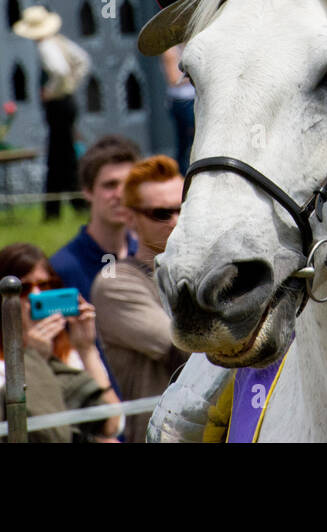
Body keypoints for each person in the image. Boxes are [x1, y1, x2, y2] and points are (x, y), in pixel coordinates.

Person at [0, 244, 121, 442]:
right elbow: (19, 430)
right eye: (23, 289)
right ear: (0, 300)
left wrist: (86, 349)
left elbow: (113, 425)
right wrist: (33, 356)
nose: (35, 295)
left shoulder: (71, 355)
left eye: (44, 285)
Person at [92, 155, 190, 442]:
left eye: (184, 209)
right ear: (130, 217)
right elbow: (183, 349)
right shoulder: (115, 284)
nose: (176, 221)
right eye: (161, 213)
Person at [13, 5, 91, 221]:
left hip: (58, 106)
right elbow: (83, 61)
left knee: (58, 157)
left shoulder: (46, 46)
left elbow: (59, 70)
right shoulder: (60, 41)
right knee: (64, 156)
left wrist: (53, 90)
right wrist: (71, 85)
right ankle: (72, 204)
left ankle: (55, 209)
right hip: (66, 104)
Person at [50, 135, 140, 303]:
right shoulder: (61, 269)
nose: (120, 195)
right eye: (110, 185)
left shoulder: (149, 260)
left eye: (129, 184)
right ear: (87, 191)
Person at [161, 45, 196, 174]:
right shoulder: (171, 49)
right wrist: (199, 74)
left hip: (195, 99)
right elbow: (174, 78)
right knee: (186, 144)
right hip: (183, 102)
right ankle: (182, 174)